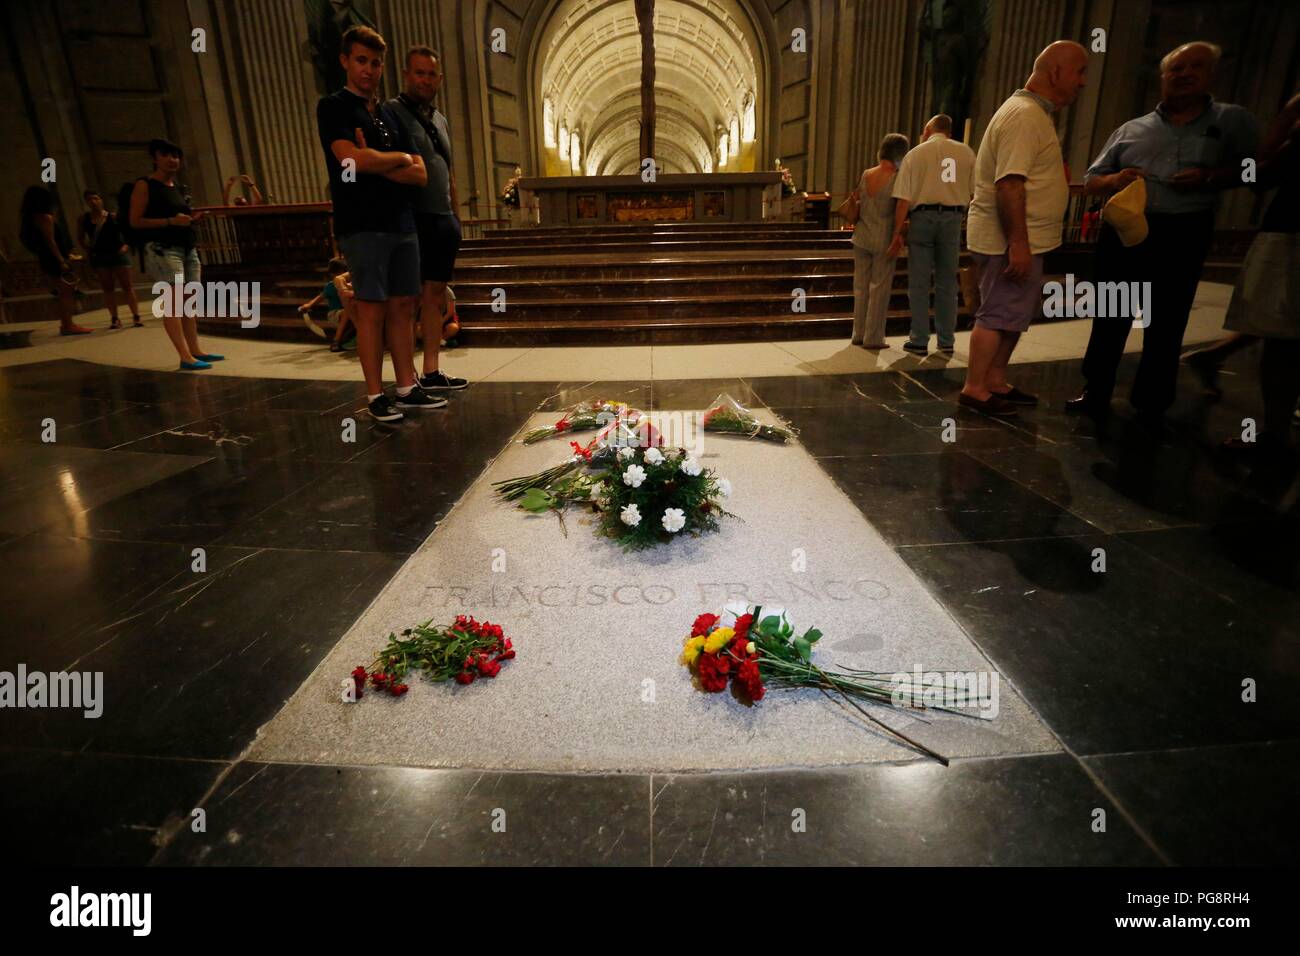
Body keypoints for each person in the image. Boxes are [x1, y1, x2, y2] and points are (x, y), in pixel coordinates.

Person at [1067, 42, 1260, 430]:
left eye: (1195, 67)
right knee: (1111, 314)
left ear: (1211, 75)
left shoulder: (1233, 121)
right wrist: (1115, 180)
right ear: (1162, 78)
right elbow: (1091, 180)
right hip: (1126, 231)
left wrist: (1209, 177)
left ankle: (1152, 401)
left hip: (1183, 231)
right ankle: (1096, 389)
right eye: (1176, 69)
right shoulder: (1131, 129)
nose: (1184, 74)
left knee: (1167, 319)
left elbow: (1257, 171)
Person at [316, 25, 442, 421]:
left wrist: (379, 159)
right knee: (371, 309)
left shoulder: (388, 113)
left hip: (402, 222)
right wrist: (393, 159)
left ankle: (406, 386)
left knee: (404, 305)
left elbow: (420, 173)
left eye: (375, 63)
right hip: (362, 223)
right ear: (345, 61)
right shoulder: (333, 106)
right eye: (361, 61)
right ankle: (375, 395)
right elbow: (350, 160)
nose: (369, 70)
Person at [960, 41, 1090, 416]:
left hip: (1022, 240)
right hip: (1009, 241)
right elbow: (1009, 183)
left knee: (1012, 315)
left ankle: (994, 380)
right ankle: (975, 388)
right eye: (1080, 72)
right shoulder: (1023, 115)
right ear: (1056, 72)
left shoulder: (1034, 113)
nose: (1083, 82)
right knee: (996, 315)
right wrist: (1018, 243)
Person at [1216, 91, 1300, 465]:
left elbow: (1255, 176)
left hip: (1290, 237)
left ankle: (1275, 435)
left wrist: (1284, 121)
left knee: (1281, 340)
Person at [386, 45, 468, 391]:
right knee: (407, 299)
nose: (425, 79)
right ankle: (408, 379)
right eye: (419, 72)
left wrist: (455, 215)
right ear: (406, 74)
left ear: (440, 79)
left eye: (431, 74)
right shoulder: (391, 112)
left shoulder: (440, 119)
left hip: (441, 218)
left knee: (435, 294)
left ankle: (432, 370)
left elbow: (447, 169)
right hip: (411, 217)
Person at [129, 138, 223, 370]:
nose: (172, 160)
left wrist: (191, 220)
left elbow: (180, 218)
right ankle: (185, 356)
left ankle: (195, 350)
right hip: (163, 249)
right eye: (166, 155)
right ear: (154, 158)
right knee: (173, 303)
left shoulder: (178, 187)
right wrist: (170, 221)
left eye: (176, 156)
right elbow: (135, 221)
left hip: (187, 247)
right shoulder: (145, 185)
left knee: (189, 301)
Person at [888, 114, 976, 355]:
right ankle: (946, 340)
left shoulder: (915, 154)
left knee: (919, 282)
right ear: (949, 131)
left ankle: (919, 339)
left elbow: (903, 200)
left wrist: (897, 233)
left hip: (922, 218)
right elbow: (974, 193)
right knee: (947, 282)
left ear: (927, 130)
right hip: (952, 219)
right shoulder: (966, 153)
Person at [849, 132, 909, 349]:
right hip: (883, 238)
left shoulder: (867, 174)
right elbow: (901, 207)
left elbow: (859, 201)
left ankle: (858, 333)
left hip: (861, 237)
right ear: (901, 154)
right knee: (879, 289)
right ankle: (873, 338)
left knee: (860, 287)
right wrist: (897, 236)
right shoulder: (898, 177)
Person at [18, 186, 92, 335]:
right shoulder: (45, 217)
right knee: (66, 292)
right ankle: (68, 325)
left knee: (63, 291)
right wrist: (61, 260)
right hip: (54, 258)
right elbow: (51, 241)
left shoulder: (30, 219)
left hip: (46, 257)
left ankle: (67, 323)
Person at [79, 190, 141, 329]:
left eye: (96, 198)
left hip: (118, 254)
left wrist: (125, 246)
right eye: (90, 199)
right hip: (101, 256)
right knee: (108, 288)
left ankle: (136, 315)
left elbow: (129, 233)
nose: (93, 202)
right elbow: (80, 237)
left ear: (101, 200)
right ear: (86, 202)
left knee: (127, 286)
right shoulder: (84, 219)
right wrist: (89, 249)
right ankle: (114, 318)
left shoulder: (113, 217)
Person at [299, 256, 357, 353]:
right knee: (347, 311)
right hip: (335, 314)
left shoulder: (351, 284)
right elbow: (320, 297)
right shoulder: (331, 286)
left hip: (347, 312)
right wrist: (309, 305)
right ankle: (336, 340)